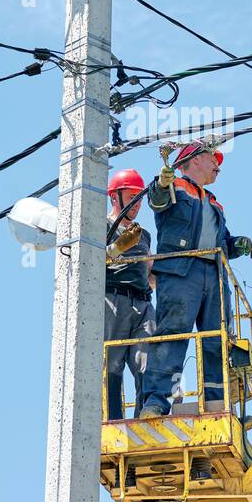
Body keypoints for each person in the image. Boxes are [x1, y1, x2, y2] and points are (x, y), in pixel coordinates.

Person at [138, 141, 252, 419]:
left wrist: (236, 244)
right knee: (173, 334)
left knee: (217, 340)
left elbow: (221, 243)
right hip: (181, 271)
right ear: (195, 160)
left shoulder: (215, 202)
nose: (218, 166)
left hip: (213, 276)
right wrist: (161, 182)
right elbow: (157, 200)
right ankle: (155, 403)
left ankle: (218, 405)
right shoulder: (175, 186)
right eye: (213, 159)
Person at [103, 168, 156, 421]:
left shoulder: (143, 234)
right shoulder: (99, 224)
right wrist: (116, 247)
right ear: (115, 197)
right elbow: (89, 263)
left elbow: (149, 270)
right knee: (111, 365)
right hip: (112, 300)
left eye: (139, 198)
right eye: (131, 196)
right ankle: (110, 421)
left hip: (142, 303)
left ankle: (143, 420)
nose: (136, 204)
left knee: (146, 362)